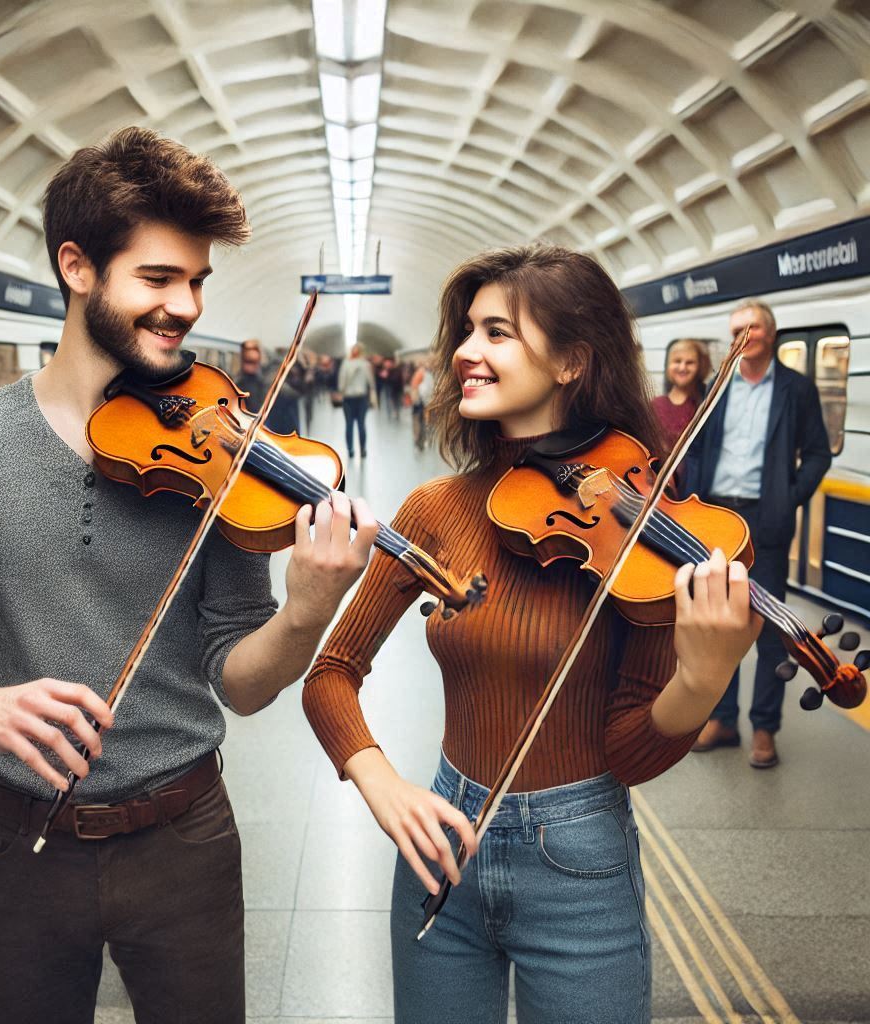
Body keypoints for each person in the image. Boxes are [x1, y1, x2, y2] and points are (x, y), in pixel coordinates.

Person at [0, 127, 378, 1024]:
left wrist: (305, 614)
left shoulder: (221, 457)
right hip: (18, 842)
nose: (186, 308)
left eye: (197, 281)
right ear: (77, 267)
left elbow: (239, 684)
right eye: (159, 280)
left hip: (187, 836)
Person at [302, 245, 762, 1024]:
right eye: (467, 332)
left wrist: (702, 678)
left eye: (497, 333)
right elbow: (331, 673)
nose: (466, 353)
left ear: (572, 361)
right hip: (439, 843)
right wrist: (383, 786)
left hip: (580, 863)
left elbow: (628, 753)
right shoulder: (434, 509)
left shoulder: (641, 521)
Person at [687, 299, 831, 769]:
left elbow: (817, 454)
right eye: (735, 332)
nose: (742, 339)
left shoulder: (797, 389)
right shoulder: (718, 385)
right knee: (719, 623)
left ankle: (764, 727)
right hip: (715, 519)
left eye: (750, 330)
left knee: (772, 629)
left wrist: (788, 496)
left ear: (771, 334)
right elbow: (696, 448)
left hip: (763, 520)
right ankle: (724, 719)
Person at [651, 338, 711, 448]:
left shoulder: (707, 402)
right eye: (677, 361)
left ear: (700, 367)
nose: (682, 367)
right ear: (668, 366)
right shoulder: (655, 405)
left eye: (690, 362)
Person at [337, 342, 376, 458]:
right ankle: (363, 449)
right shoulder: (365, 364)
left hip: (348, 399)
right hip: (361, 398)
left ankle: (350, 450)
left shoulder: (345, 363)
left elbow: (341, 383)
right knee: (361, 425)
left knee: (349, 425)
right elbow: (371, 382)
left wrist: (342, 390)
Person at [408, 358, 435, 452]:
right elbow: (414, 387)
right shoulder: (422, 373)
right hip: (422, 402)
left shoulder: (426, 373)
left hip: (425, 402)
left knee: (422, 422)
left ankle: (420, 440)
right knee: (421, 422)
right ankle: (420, 440)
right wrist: (416, 400)